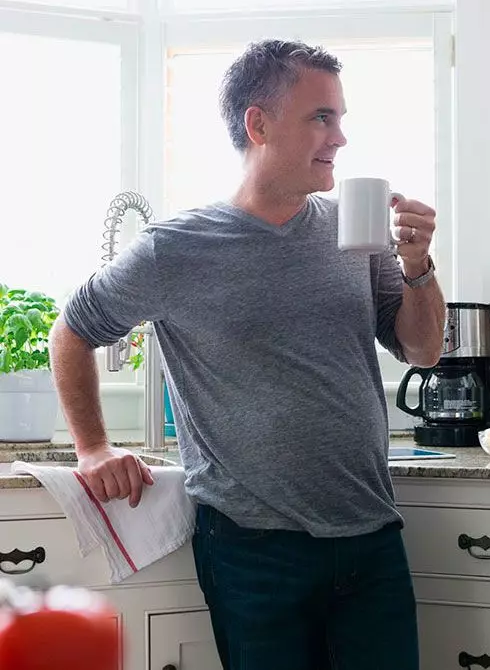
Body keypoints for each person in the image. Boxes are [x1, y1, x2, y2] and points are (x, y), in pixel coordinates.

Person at [48, 39, 445, 670]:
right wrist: (93, 447)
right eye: (322, 117)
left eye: (340, 118)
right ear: (258, 123)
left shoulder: (354, 228)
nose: (340, 137)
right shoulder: (174, 250)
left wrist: (417, 266)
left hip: (371, 534)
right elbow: (71, 331)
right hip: (253, 551)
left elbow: (422, 350)